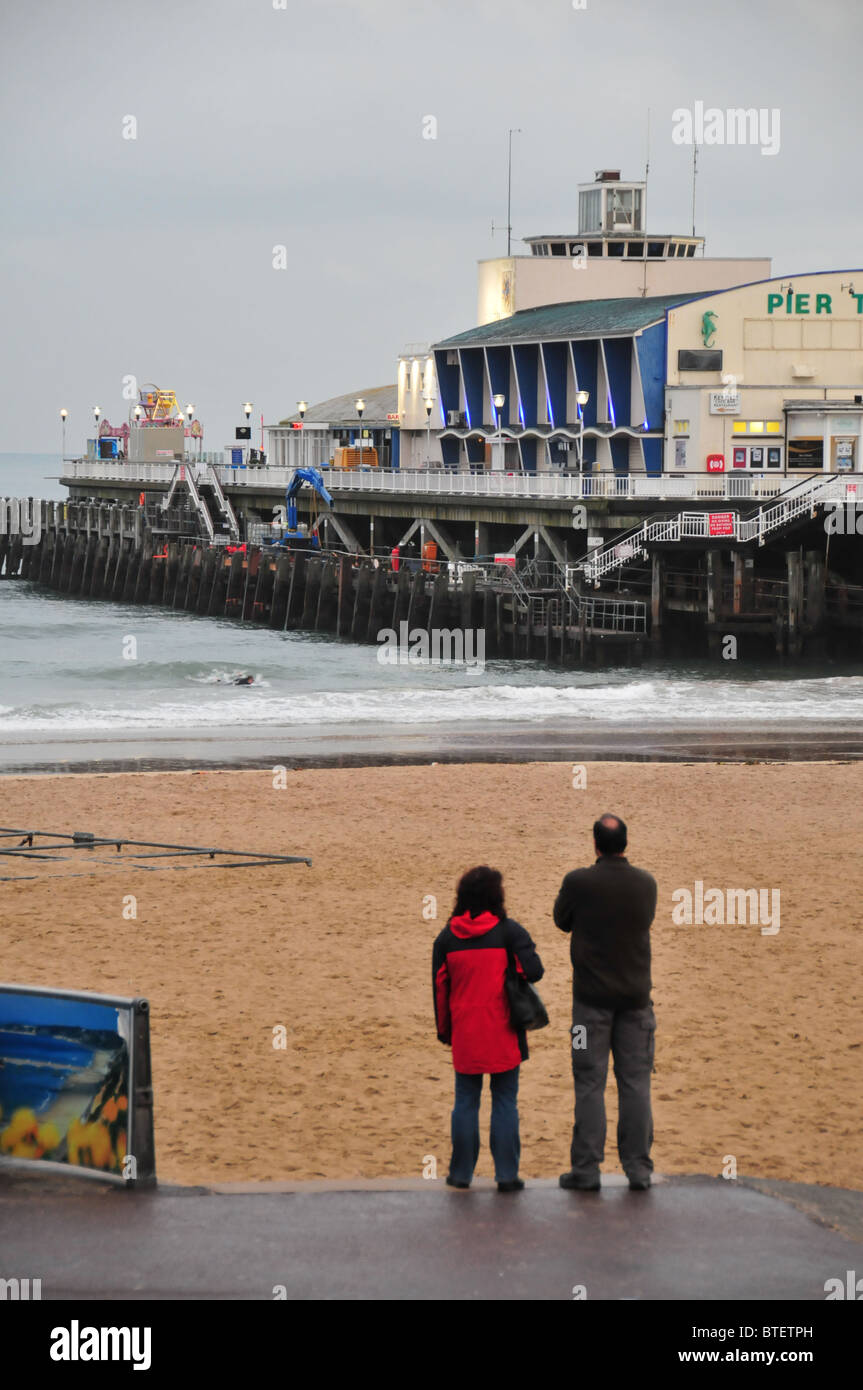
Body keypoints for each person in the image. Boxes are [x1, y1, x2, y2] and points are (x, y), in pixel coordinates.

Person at [553, 814, 657, 1193]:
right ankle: (638, 1168)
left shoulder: (578, 882)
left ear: (595, 844)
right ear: (625, 844)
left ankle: (586, 1168)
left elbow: (561, 920)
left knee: (588, 1082)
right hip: (636, 1001)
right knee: (635, 1083)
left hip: (588, 1007)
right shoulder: (646, 884)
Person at [432, 866, 543, 1192]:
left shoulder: (447, 937)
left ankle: (461, 1174)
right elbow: (534, 971)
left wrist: (445, 1031)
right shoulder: (510, 932)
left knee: (465, 1102)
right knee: (505, 1101)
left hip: (466, 1032)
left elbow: (440, 989)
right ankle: (506, 1175)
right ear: (497, 896)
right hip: (503, 1030)